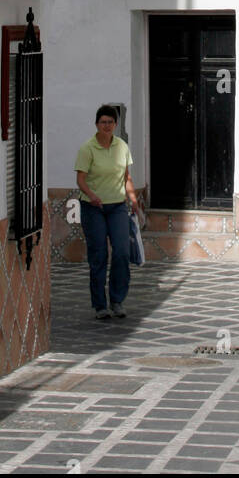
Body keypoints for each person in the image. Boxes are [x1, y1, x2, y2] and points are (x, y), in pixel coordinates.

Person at [75, 105, 139, 320]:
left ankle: (117, 300)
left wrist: (133, 199)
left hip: (117, 207)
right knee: (99, 255)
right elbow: (81, 179)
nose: (107, 126)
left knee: (121, 252)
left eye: (110, 122)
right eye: (103, 122)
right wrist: (91, 195)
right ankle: (100, 305)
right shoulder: (88, 148)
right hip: (94, 208)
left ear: (115, 124)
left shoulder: (122, 146)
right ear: (96, 124)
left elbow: (126, 176)